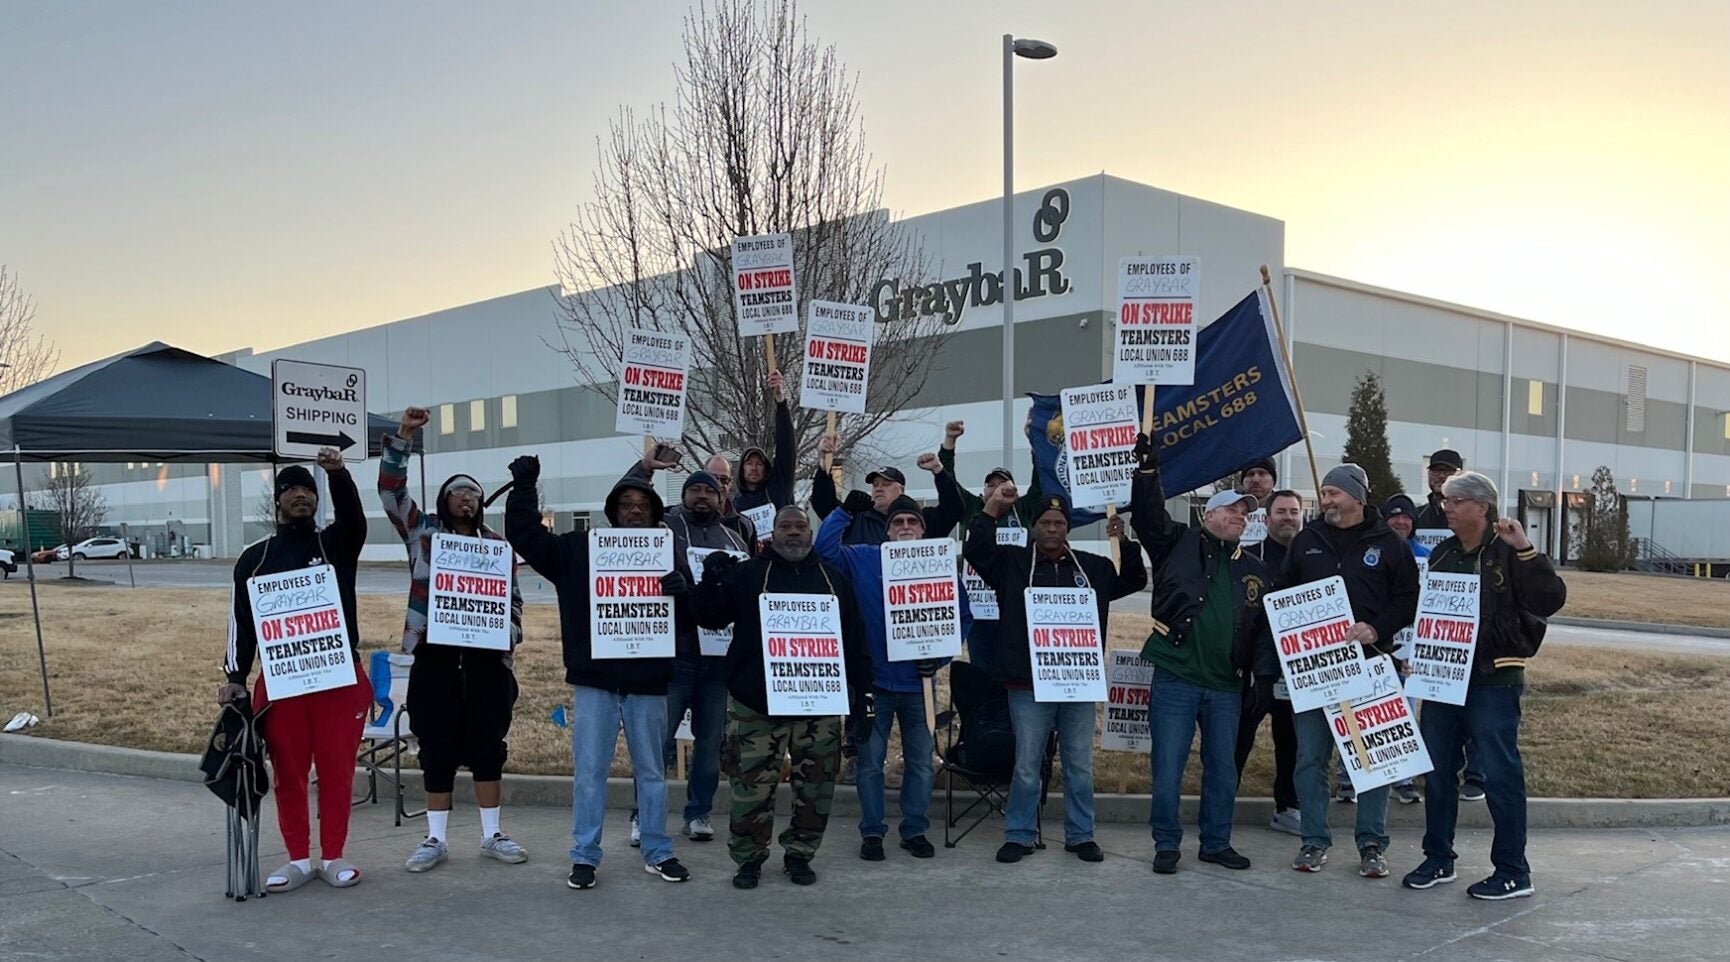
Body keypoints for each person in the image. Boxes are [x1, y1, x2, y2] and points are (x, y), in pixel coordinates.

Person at [503, 455, 690, 890]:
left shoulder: (667, 555)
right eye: (626, 503)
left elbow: (695, 616)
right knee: (589, 773)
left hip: (648, 683)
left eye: (643, 503)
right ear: (613, 511)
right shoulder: (578, 549)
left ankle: (658, 850)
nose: (635, 510)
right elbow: (527, 538)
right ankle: (585, 855)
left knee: (652, 774)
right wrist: (525, 489)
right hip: (595, 682)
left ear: (655, 512)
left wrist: (683, 594)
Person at [692, 506, 875, 889]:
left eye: (800, 526)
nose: (793, 533)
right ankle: (748, 859)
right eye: (785, 526)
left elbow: (855, 641)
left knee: (816, 788)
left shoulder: (833, 579)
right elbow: (709, 618)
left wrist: (864, 700)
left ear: (810, 533)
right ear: (772, 533)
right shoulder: (749, 575)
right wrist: (711, 582)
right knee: (751, 789)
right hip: (756, 705)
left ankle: (800, 854)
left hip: (819, 705)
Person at [1403, 472, 1566, 900]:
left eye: (1455, 500)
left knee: (1499, 773)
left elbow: (1550, 599)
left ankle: (1513, 870)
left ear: (1482, 506)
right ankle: (1438, 857)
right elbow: (1429, 612)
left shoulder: (1508, 552)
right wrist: (1417, 652)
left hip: (1494, 677)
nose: (1446, 507)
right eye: (1445, 500)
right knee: (1437, 771)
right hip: (1442, 679)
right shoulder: (1442, 553)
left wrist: (1527, 550)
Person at [379, 407, 528, 873]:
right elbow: (391, 493)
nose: (466, 500)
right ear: (443, 502)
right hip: (435, 658)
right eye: (458, 493)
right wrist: (404, 437)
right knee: (437, 747)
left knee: (488, 747)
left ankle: (492, 834)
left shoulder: (498, 546)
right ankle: (435, 839)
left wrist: (509, 632)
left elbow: (517, 606)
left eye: (473, 495)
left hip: (487, 661)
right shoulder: (424, 535)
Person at [965, 487, 1147, 865]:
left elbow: (1131, 580)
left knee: (1079, 764)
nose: (1052, 528)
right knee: (1027, 764)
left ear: (1068, 528)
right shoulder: (1011, 564)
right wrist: (990, 511)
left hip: (1078, 684)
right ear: (1034, 528)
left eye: (1059, 523)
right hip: (1027, 685)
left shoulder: (1092, 567)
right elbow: (976, 551)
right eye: (1045, 523)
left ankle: (1081, 835)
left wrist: (1122, 540)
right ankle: (1020, 833)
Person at [220, 448, 370, 893]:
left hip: (338, 677)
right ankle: (299, 858)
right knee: (288, 770)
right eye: (292, 490)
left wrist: (338, 474)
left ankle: (334, 854)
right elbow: (241, 620)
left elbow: (356, 521)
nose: (301, 496)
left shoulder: (334, 544)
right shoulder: (255, 559)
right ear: (279, 501)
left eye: (308, 490)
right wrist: (234, 676)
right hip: (283, 679)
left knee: (337, 768)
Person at [1131, 436, 1273, 875]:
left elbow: (1265, 630)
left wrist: (1262, 679)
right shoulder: (1176, 542)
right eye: (1231, 509)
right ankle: (1167, 844)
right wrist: (1147, 472)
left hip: (1227, 685)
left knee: (1223, 770)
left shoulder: (1255, 570)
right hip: (1176, 675)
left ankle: (1216, 842)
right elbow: (1148, 514)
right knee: (1169, 766)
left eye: (1245, 512)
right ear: (1208, 515)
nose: (1239, 516)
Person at [1277, 463, 1419, 879]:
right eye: (1323, 493)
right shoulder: (1307, 540)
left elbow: (1408, 597)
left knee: (1373, 759)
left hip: (1371, 665)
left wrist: (1377, 627)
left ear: (1357, 497)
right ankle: (1314, 841)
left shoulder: (1389, 543)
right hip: (1315, 670)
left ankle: (1372, 844)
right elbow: (1283, 594)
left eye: (1334, 493)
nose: (1327, 501)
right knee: (1311, 759)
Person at [817, 492, 971, 861]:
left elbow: (962, 616)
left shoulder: (940, 565)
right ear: (887, 532)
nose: (905, 527)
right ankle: (872, 832)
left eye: (912, 522)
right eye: (898, 522)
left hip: (919, 685)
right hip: (873, 684)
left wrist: (937, 658)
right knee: (870, 763)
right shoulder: (865, 558)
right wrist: (843, 511)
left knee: (920, 761)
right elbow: (824, 550)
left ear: (922, 530)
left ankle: (914, 829)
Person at [637, 469, 752, 845]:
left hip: (718, 659)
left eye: (710, 490)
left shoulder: (735, 537)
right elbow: (630, 507)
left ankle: (699, 813)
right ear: (683, 496)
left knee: (709, 743)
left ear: (722, 497)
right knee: (660, 741)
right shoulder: (664, 528)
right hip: (676, 653)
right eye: (694, 490)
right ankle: (643, 815)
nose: (702, 496)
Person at [1232, 488, 1305, 834]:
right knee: (1239, 735)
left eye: (1294, 511)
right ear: (1267, 517)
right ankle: (1221, 801)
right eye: (1281, 512)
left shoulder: (1311, 558)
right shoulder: (1248, 557)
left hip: (1296, 666)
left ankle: (1288, 805)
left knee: (1290, 740)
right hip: (1253, 667)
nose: (1288, 517)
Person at [1375, 492, 1431, 807]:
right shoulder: (1373, 551)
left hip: (1411, 651)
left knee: (1406, 715)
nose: (1400, 521)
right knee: (1367, 713)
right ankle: (1348, 779)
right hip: (1377, 646)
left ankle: (1404, 780)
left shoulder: (1426, 556)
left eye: (1406, 517)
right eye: (1394, 516)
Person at [811, 444, 966, 544]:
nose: (878, 488)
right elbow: (822, 502)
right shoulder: (855, 519)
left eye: (886, 484)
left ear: (902, 490)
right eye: (875, 485)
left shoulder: (919, 519)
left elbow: (953, 510)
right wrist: (825, 465)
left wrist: (939, 472)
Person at [937, 418, 1046, 529]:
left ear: (1014, 490)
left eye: (1002, 484)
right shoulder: (971, 508)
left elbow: (1041, 478)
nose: (996, 490)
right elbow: (948, 481)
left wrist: (1036, 439)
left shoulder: (1024, 508)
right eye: (991, 485)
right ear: (984, 492)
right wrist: (950, 439)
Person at [731, 371, 799, 540]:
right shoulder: (735, 506)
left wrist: (781, 404)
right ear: (741, 469)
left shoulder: (779, 486)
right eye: (749, 463)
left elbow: (786, 446)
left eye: (759, 464)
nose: (754, 468)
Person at [1415, 449, 1463, 530]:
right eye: (1436, 470)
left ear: (1460, 475)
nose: (1441, 476)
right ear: (1428, 473)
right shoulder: (1416, 516)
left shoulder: (1469, 516)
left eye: (1448, 471)